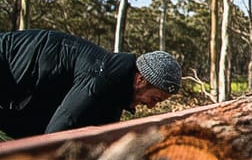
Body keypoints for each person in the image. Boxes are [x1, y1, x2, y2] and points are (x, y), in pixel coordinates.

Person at [0, 29, 182, 139]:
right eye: (154, 98)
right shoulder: (99, 81)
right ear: (140, 80)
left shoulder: (115, 90)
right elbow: (59, 130)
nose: (151, 106)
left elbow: (102, 134)